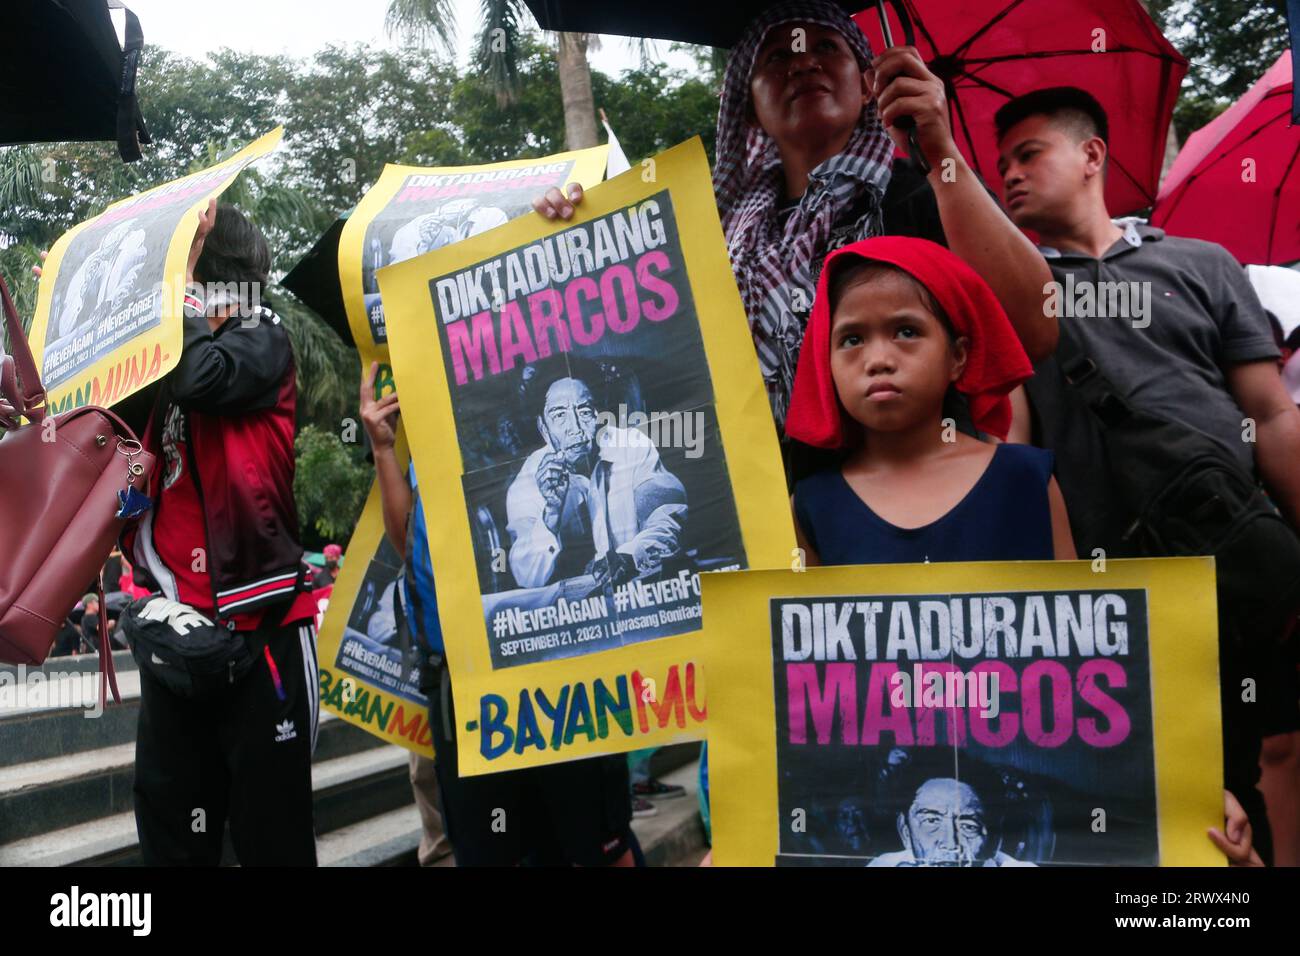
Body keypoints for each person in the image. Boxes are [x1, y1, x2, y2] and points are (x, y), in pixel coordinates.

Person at [535, 0, 1055, 479]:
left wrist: (941, 153)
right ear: (747, 104)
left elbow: (1032, 332)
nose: (804, 63)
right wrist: (573, 238)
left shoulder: (924, 192)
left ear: (869, 84)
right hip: (779, 515)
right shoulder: (706, 234)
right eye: (777, 57)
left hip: (920, 504)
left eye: (826, 47)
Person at [995, 86, 1300, 864]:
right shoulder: (1015, 295)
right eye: (1000, 167)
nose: (1010, 176)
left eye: (1029, 154)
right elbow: (1015, 453)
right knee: (1161, 790)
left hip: (1233, 551)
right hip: (1115, 587)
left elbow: (1270, 415)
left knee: (1271, 757)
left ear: (1091, 155)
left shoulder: (1202, 263)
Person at [359, 361, 636, 867]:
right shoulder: (428, 441)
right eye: (560, 414)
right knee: (491, 849)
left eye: (582, 411)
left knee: (595, 844)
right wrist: (382, 449)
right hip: (461, 681)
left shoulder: (585, 463)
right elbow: (407, 545)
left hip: (562, 669)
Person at [120, 200, 320, 866]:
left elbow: (201, 379)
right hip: (177, 630)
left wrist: (180, 274)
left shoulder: (262, 333)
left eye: (183, 265)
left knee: (273, 840)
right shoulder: (165, 361)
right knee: (172, 839)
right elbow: (111, 430)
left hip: (261, 629)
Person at [506, 364, 687, 590]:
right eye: (560, 415)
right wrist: (551, 514)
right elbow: (526, 577)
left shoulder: (632, 445)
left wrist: (631, 555)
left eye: (584, 412)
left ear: (598, 413)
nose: (575, 428)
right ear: (543, 427)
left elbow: (667, 518)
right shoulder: (529, 480)